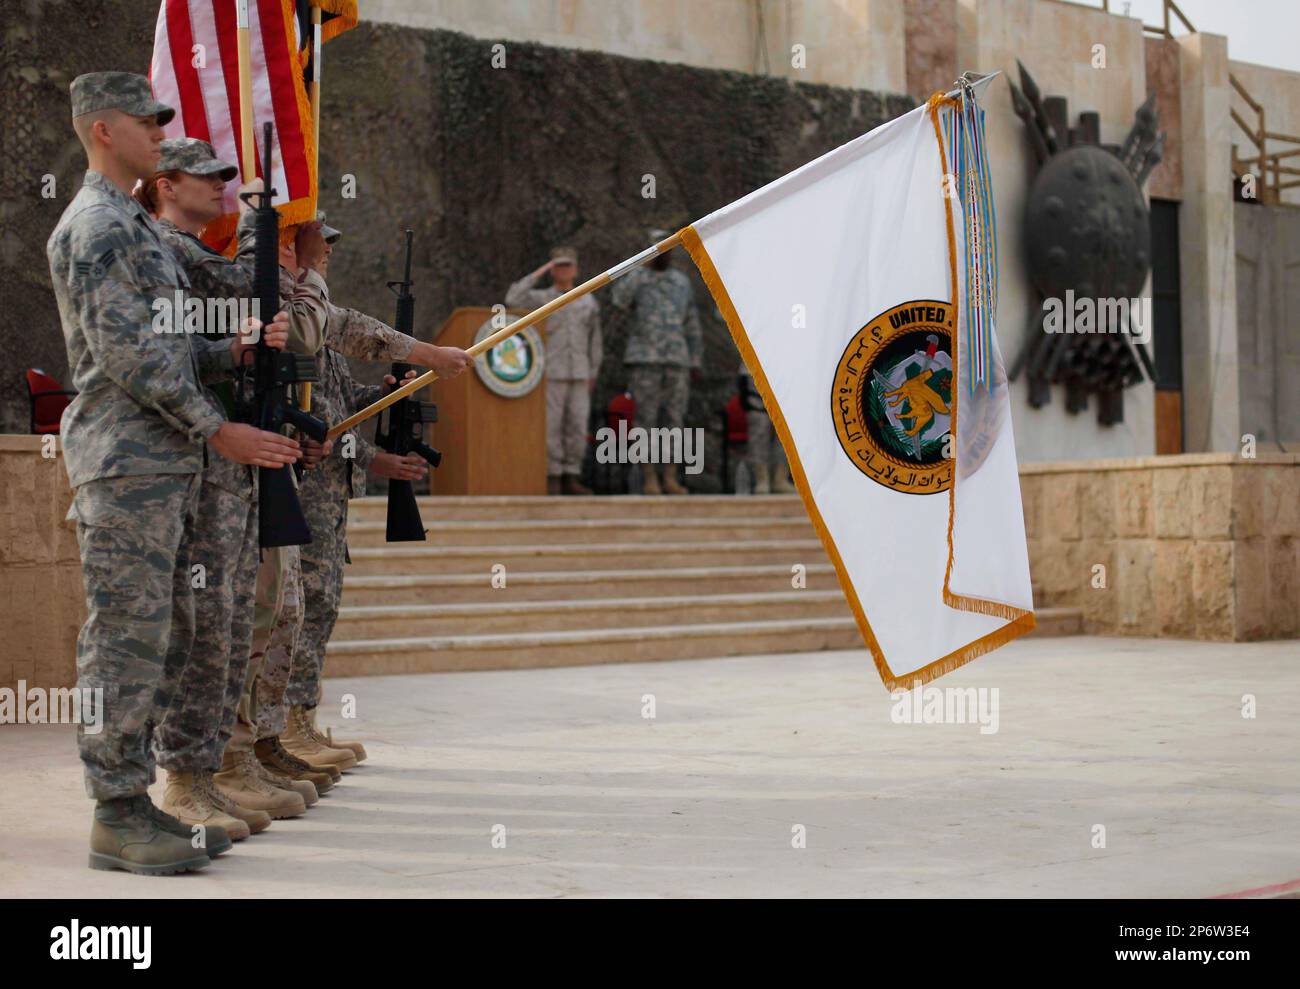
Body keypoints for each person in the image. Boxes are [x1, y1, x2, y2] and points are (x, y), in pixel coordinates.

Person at [48, 73, 298, 875]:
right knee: (125, 636)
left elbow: (169, 343)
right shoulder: (97, 226)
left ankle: (143, 796)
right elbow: (126, 356)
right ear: (101, 131)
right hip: (127, 463)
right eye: (146, 122)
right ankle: (115, 810)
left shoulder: (137, 227)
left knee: (165, 634)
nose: (161, 133)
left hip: (165, 459)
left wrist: (233, 354)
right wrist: (217, 426)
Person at [611, 230, 701, 495]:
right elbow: (619, 300)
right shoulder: (638, 279)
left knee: (674, 419)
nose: (663, 253)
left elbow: (691, 322)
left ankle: (670, 476)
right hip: (644, 361)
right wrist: (639, 267)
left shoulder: (681, 282)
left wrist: (695, 360)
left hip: (677, 360)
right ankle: (649, 477)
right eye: (657, 249)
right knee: (645, 420)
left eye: (667, 249)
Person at [506, 247, 602, 495]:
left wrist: (593, 370)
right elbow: (513, 298)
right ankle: (553, 477)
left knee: (578, 426)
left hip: (580, 372)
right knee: (552, 426)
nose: (564, 270)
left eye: (568, 265)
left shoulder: (587, 299)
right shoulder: (542, 298)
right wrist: (540, 271)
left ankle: (572, 475)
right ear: (551, 269)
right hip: (552, 370)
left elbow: (595, 339)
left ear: (576, 269)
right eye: (558, 265)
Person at [739, 365, 794, 494]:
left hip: (785, 377)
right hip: (755, 378)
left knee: (785, 432)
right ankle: (761, 479)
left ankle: (780, 478)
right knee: (758, 431)